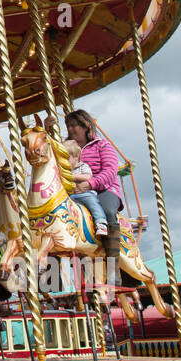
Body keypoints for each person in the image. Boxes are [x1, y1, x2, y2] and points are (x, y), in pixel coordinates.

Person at [64, 109, 123, 275]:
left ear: (86, 126)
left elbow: (110, 171)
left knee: (107, 211)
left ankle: (113, 268)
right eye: (68, 125)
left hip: (104, 189)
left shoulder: (102, 145)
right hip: (75, 192)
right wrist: (46, 129)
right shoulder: (66, 148)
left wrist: (90, 184)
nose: (70, 129)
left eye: (74, 125)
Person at [64, 138, 108, 237]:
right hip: (71, 195)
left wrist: (72, 176)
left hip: (85, 194)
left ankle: (101, 223)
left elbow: (88, 177)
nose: (64, 162)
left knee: (93, 203)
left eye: (67, 158)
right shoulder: (63, 170)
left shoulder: (82, 166)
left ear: (76, 157)